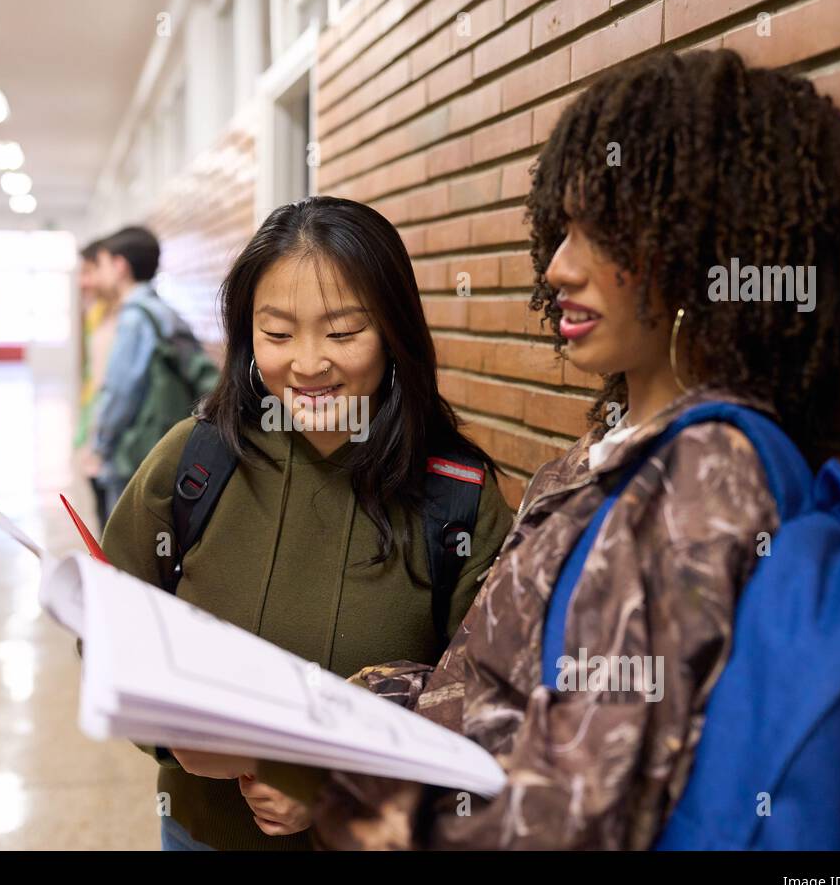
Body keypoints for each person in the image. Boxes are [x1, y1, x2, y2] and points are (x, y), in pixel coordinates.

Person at [241, 49, 840, 848]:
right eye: (564, 227)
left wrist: (344, 794)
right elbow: (494, 697)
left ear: (702, 250)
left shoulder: (700, 480)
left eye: (603, 234)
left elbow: (578, 819)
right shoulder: (612, 451)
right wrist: (336, 712)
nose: (558, 267)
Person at [100, 197, 514, 849]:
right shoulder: (195, 461)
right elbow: (108, 620)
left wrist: (333, 784)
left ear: (394, 331)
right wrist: (174, 737)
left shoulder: (454, 496)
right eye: (278, 333)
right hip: (201, 833)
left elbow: (491, 707)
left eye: (344, 332)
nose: (309, 364)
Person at [88, 226, 215, 523]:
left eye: (103, 263)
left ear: (120, 266)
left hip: (133, 452)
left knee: (123, 544)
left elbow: (120, 391)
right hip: (162, 445)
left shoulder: (135, 317)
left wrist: (101, 445)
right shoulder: (161, 310)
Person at [74, 238, 122, 530]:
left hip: (110, 432)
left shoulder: (128, 320)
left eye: (91, 271)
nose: (84, 281)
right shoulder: (95, 314)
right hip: (94, 423)